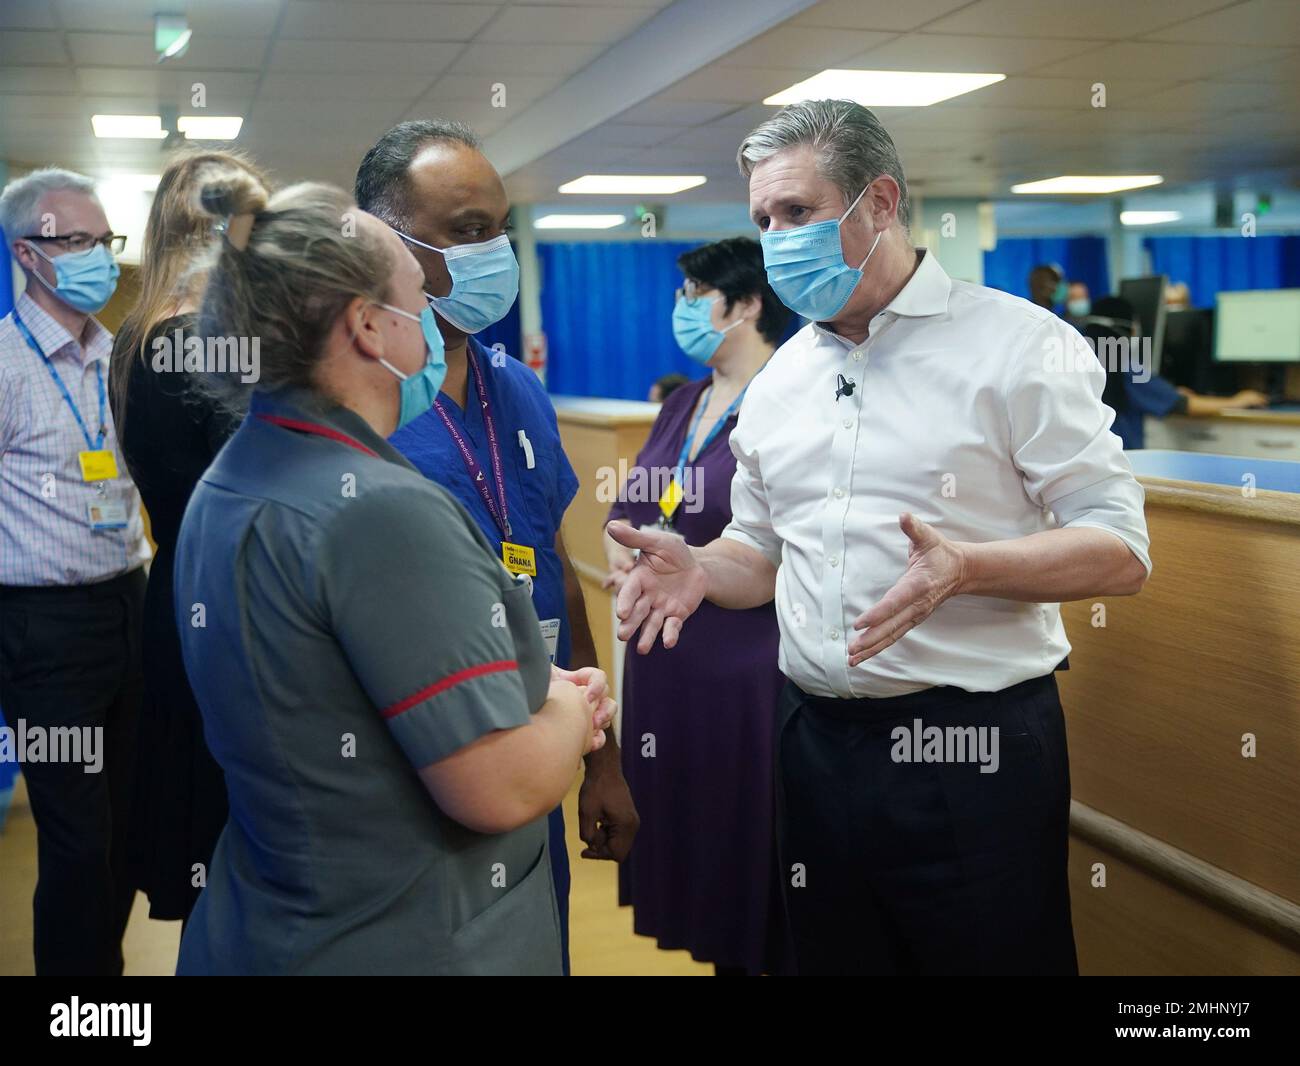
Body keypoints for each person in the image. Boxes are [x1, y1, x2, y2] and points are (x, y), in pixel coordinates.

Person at [609, 99, 1154, 976]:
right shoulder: (781, 382)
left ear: (881, 201)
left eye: (798, 212)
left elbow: (1122, 550)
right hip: (810, 745)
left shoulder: (1017, 346)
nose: (777, 236)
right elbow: (760, 550)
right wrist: (703, 571)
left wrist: (970, 568)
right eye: (762, 219)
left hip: (968, 747)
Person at [172, 173, 613, 975]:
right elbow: (500, 788)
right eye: (420, 296)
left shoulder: (232, 478)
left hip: (273, 922)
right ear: (370, 326)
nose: (434, 319)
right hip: (403, 938)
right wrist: (574, 710)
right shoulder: (377, 512)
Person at [355, 119, 639, 972]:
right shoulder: (359, 408)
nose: (495, 252)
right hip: (411, 784)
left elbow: (552, 567)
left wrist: (603, 754)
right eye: (468, 231)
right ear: (388, 246)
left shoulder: (516, 390)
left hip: (535, 747)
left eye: (500, 228)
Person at [603, 237, 790, 975]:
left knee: (750, 848)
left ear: (744, 305)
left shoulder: (788, 398)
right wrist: (622, 546)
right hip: (666, 662)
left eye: (693, 295)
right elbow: (637, 499)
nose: (679, 309)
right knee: (692, 846)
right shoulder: (684, 400)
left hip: (745, 665)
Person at [107, 149, 270, 930]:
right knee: (243, 863)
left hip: (183, 599)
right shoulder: (208, 350)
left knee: (208, 859)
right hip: (236, 617)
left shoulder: (137, 341)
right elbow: (267, 506)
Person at [0, 167, 151, 974]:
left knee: (129, 828)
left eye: (106, 241)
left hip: (127, 604)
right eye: (78, 242)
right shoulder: (4, 365)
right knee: (76, 843)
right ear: (28, 254)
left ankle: (104, 982)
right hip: (42, 631)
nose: (99, 257)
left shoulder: (114, 356)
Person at [1081, 295, 1268, 449]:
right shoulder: (1124, 367)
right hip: (1123, 464)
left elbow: (1161, 395)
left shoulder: (1075, 360)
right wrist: (1238, 400)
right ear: (1124, 330)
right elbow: (1185, 405)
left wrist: (1166, 393)